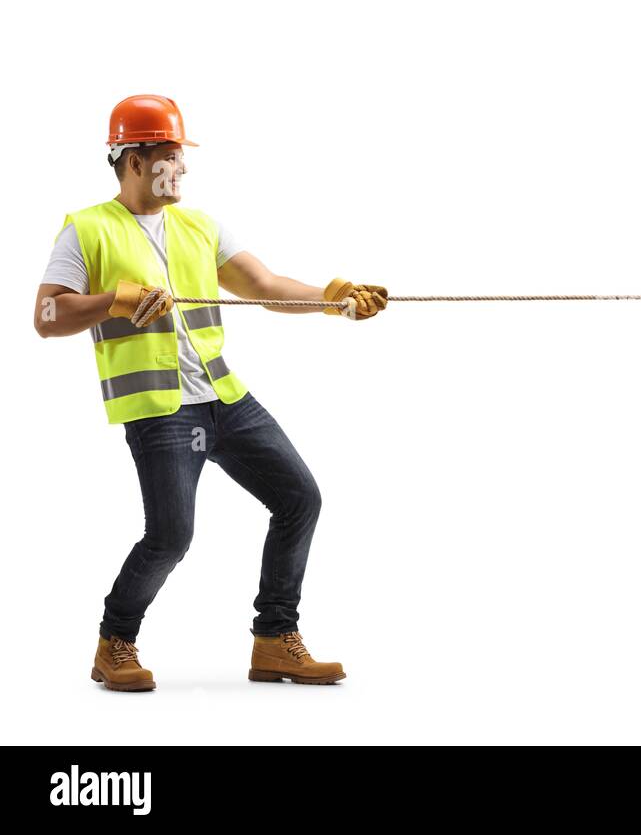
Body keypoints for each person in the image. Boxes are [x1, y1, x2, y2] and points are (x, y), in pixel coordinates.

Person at [33, 94, 389, 691]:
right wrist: (113, 301)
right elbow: (46, 315)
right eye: (171, 155)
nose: (183, 168)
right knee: (171, 537)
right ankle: (114, 642)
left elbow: (265, 284)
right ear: (132, 160)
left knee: (300, 498)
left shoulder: (198, 225)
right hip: (160, 411)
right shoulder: (86, 228)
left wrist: (334, 297)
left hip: (226, 400)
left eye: (182, 155)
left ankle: (275, 640)